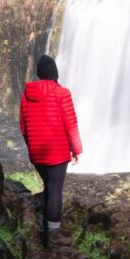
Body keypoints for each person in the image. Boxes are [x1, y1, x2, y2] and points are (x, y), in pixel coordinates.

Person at [19, 55, 83, 249]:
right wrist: (77, 149)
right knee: (55, 189)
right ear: (55, 73)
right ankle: (53, 236)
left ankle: (45, 232)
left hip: (37, 152)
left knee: (48, 186)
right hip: (57, 152)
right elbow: (70, 124)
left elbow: (23, 126)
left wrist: (32, 145)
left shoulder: (26, 94)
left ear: (39, 74)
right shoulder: (62, 93)